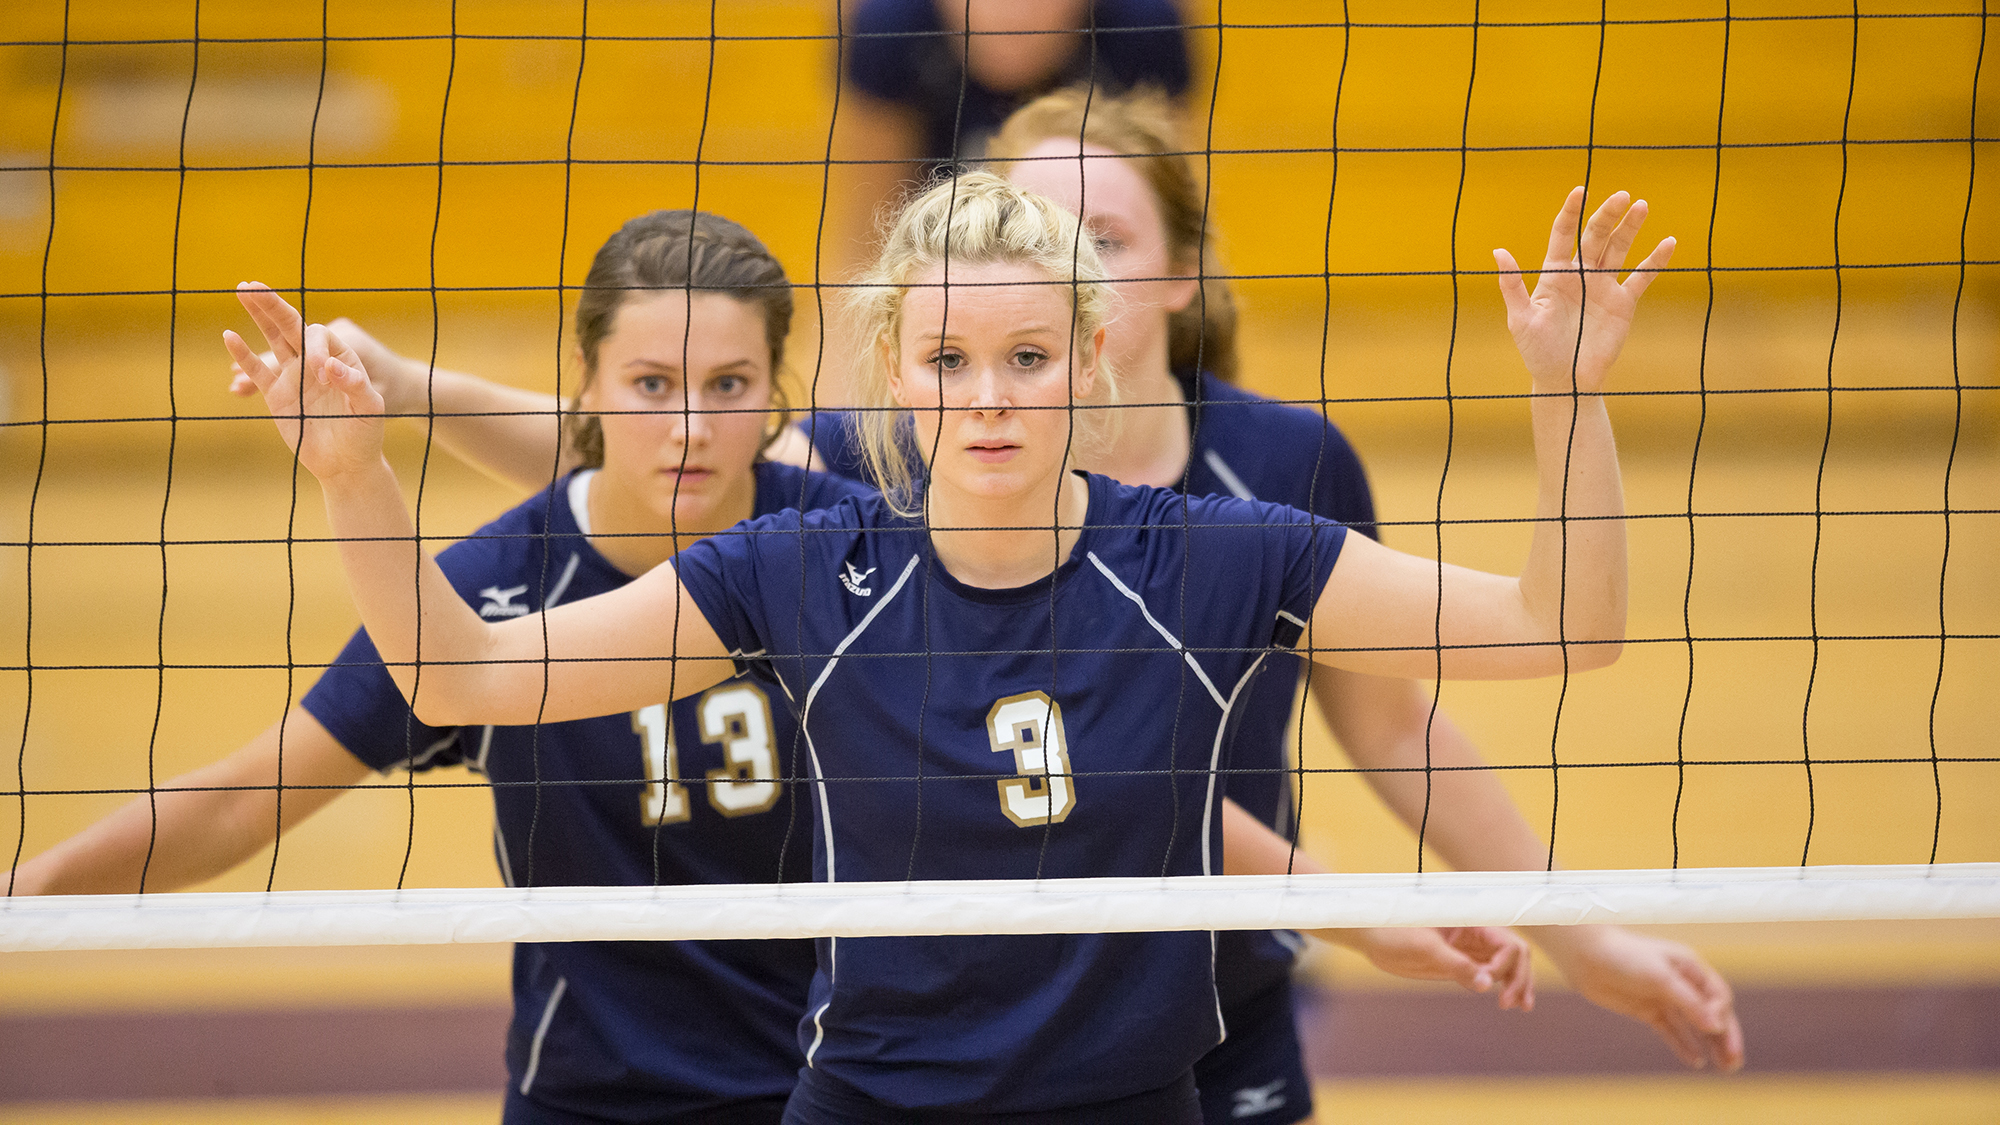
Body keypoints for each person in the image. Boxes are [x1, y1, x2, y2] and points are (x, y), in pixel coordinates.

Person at [224, 169, 1660, 1122]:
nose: (987, 401)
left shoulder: (1220, 559)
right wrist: (359, 473)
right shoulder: (797, 567)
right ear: (893, 376)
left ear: (1091, 362)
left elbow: (1564, 627)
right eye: (949, 362)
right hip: (872, 1101)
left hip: (1133, 1100)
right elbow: (461, 675)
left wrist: (1568, 394)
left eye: (1030, 359)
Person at [9, 211, 875, 1124]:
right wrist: (26, 895)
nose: (690, 427)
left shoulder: (853, 548)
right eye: (651, 383)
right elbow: (243, 794)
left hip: (833, 1082)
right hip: (598, 1096)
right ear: (584, 384)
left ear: (777, 390)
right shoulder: (490, 594)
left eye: (728, 384)